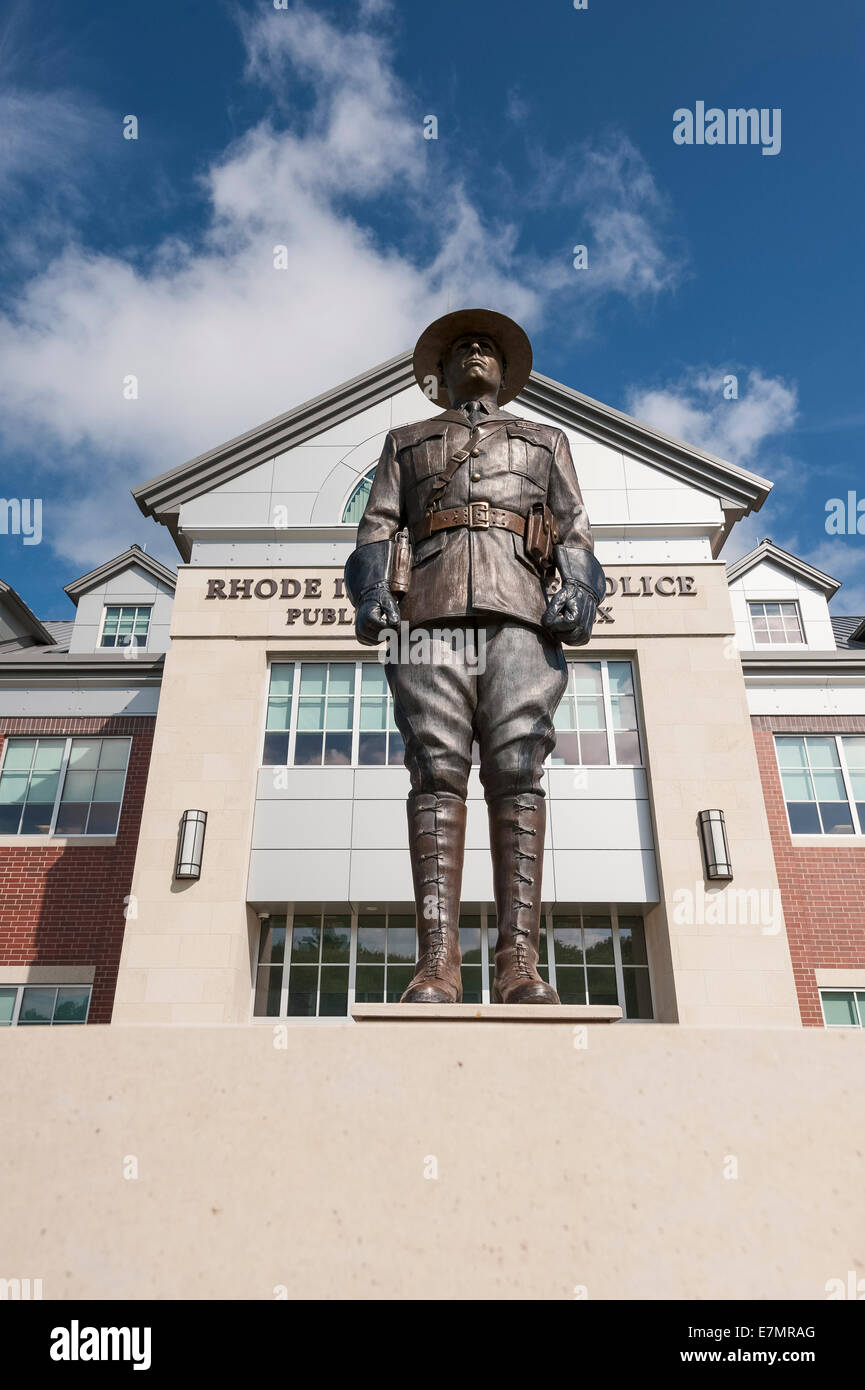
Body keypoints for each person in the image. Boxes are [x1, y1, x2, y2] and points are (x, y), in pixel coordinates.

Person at [345, 309, 606, 1004]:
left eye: (486, 346)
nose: (475, 352)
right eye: (462, 346)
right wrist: (372, 592)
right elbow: (377, 526)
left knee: (518, 767)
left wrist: (578, 591)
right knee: (435, 771)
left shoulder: (544, 440)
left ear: (504, 370)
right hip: (427, 615)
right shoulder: (406, 442)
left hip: (520, 613)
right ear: (440, 373)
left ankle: (518, 962)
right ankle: (438, 962)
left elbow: (575, 531)